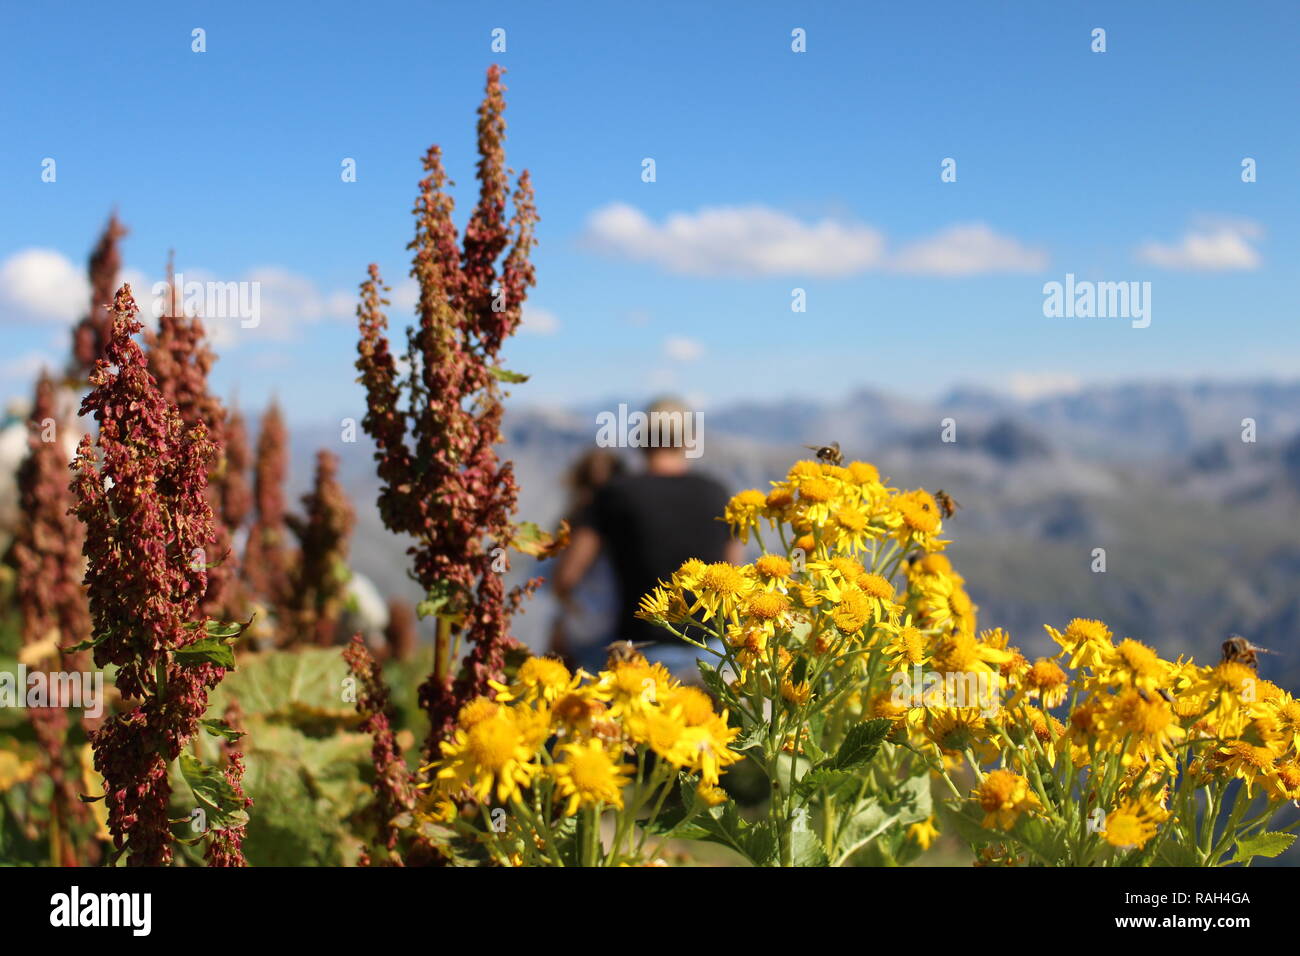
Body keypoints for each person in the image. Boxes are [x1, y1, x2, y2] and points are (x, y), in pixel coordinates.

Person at [551, 398, 742, 677]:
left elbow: (566, 579)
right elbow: (734, 571)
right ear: (689, 439)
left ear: (641, 438)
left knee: (563, 644)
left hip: (643, 656)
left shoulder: (615, 494)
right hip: (716, 655)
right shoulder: (717, 491)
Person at [546, 449, 626, 674]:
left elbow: (565, 579)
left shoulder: (585, 523)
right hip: (609, 630)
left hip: (590, 631)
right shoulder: (621, 518)